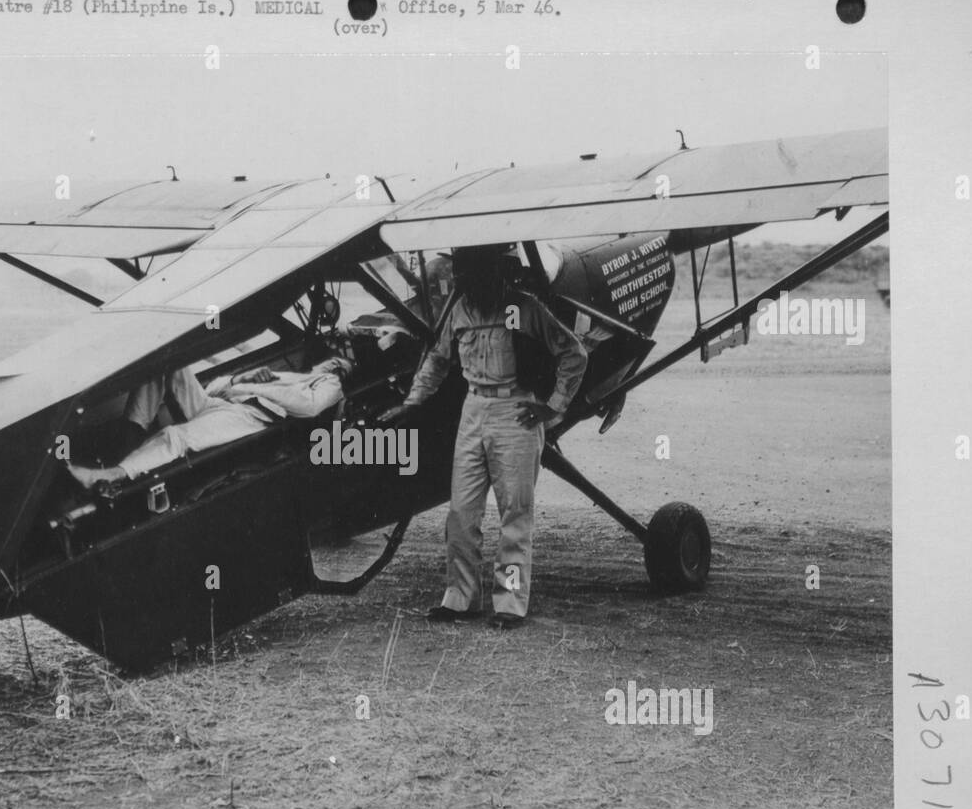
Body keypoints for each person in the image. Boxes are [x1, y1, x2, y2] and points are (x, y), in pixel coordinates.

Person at [378, 245, 586, 628]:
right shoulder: (459, 310)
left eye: (480, 275)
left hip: (516, 412)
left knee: (515, 516)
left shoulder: (525, 309)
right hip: (473, 411)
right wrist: (412, 403)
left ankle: (509, 604)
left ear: (499, 273)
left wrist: (552, 407)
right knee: (461, 513)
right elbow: (438, 360)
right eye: (465, 278)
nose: (471, 285)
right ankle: (460, 599)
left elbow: (573, 353)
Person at [68, 355, 352, 488]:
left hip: (248, 415)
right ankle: (128, 445)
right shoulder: (295, 375)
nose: (333, 364)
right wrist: (240, 379)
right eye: (333, 360)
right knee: (166, 363)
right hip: (219, 402)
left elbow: (311, 409)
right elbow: (216, 387)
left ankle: (110, 475)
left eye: (340, 364)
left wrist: (252, 388)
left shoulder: (329, 383)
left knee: (177, 437)